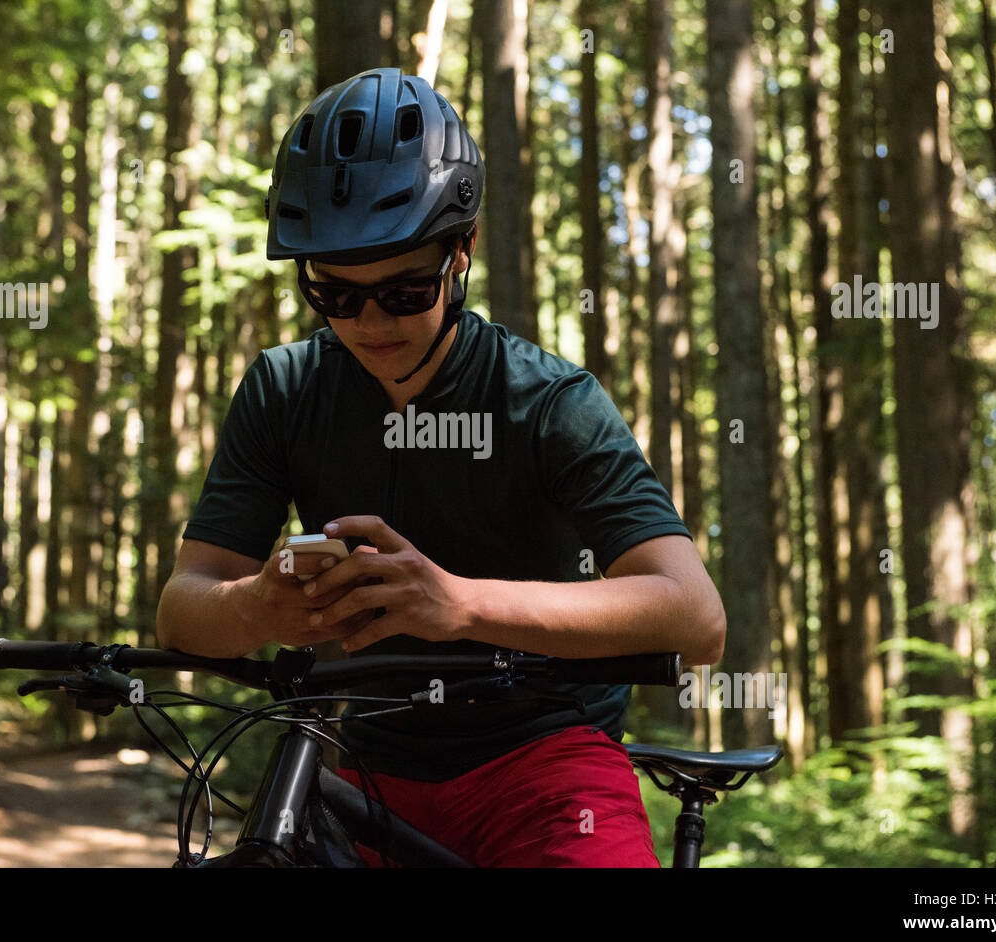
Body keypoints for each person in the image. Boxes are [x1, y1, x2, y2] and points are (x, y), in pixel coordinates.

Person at [156, 67, 726, 867]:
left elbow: (694, 616)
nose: (371, 322)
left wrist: (457, 604)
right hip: (368, 773)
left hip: (549, 761)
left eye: (406, 289)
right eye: (336, 296)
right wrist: (257, 607)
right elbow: (183, 606)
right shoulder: (285, 390)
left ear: (463, 253)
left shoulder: (550, 400)